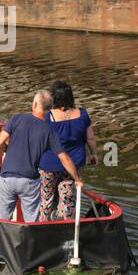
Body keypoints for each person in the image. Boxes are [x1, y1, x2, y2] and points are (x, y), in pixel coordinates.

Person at [0, 90, 82, 222]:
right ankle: (32, 241)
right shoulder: (49, 131)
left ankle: (2, 240)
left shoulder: (16, 118)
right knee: (32, 222)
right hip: (29, 181)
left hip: (7, 178)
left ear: (35, 104)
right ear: (50, 109)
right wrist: (77, 179)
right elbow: (64, 158)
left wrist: (7, 149)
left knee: (2, 221)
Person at [37, 81, 97, 221]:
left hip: (49, 166)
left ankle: (43, 229)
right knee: (68, 199)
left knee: (46, 200)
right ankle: (64, 227)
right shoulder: (82, 114)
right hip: (73, 166)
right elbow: (91, 138)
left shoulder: (47, 116)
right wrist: (94, 154)